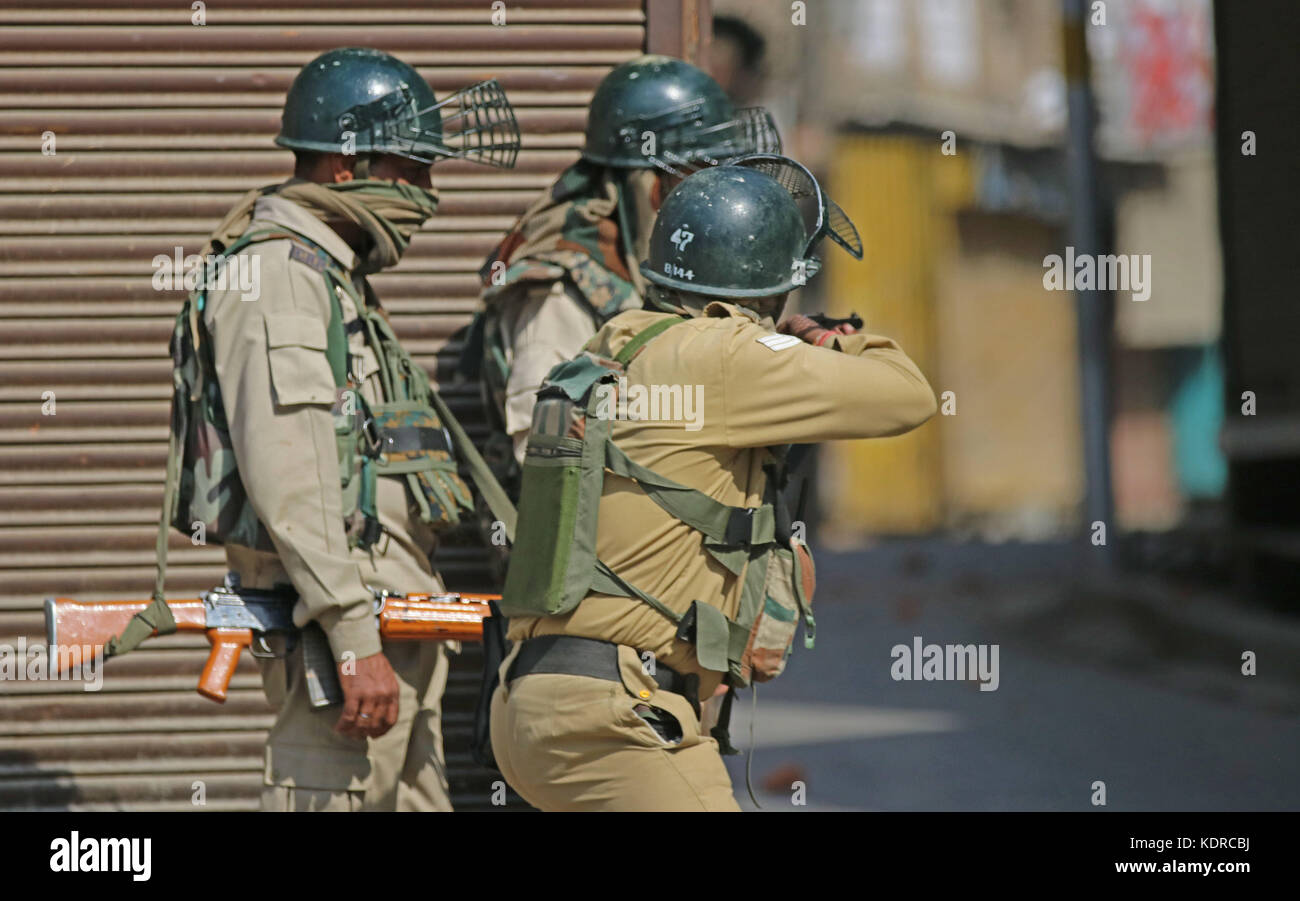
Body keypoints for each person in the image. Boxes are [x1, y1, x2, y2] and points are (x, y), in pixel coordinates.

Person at [489, 155, 938, 811]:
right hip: (614, 718)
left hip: (532, 706)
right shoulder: (723, 356)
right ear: (766, 291)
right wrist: (821, 337)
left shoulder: (616, 344)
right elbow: (908, 394)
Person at [193, 47, 518, 811]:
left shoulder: (332, 278)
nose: (430, 195)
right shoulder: (280, 277)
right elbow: (291, 476)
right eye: (415, 171)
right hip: (348, 639)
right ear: (347, 166)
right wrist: (352, 636)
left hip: (390, 627)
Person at [467, 54, 781, 512]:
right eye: (693, 178)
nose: (710, 199)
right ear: (646, 185)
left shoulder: (658, 272)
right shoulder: (562, 290)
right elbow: (546, 454)